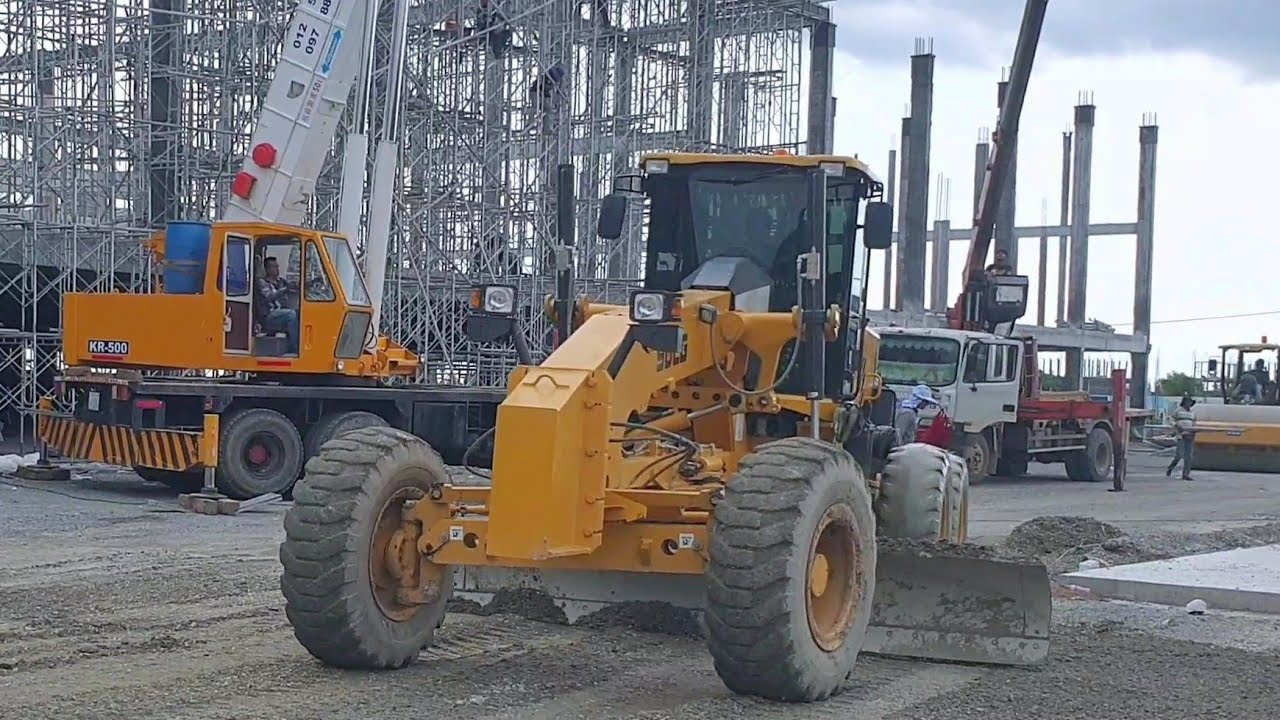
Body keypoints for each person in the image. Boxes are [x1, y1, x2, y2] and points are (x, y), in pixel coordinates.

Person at [256, 256, 299, 355]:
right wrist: (285, 289)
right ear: (268, 269)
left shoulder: (281, 282)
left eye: (277, 266)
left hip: (281, 314)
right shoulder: (262, 283)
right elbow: (269, 296)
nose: (277, 269)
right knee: (291, 315)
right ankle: (294, 348)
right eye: (274, 267)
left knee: (299, 312)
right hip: (269, 316)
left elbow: (291, 289)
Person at [1166, 394, 1196, 480]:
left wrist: (1194, 430)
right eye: (1187, 402)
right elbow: (1170, 419)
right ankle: (1170, 467)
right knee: (1179, 454)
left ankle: (1185, 474)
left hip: (1190, 435)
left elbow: (1194, 423)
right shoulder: (1178, 411)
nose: (1189, 403)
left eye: (1190, 402)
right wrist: (1176, 425)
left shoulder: (1192, 413)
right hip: (1181, 435)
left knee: (1189, 456)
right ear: (1184, 402)